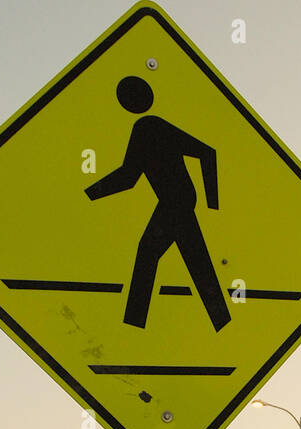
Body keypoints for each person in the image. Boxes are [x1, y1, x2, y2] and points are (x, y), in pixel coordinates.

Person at [85, 76, 230, 332]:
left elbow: (208, 153)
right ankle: (222, 323)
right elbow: (129, 177)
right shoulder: (143, 128)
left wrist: (214, 205)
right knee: (195, 261)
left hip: (178, 200)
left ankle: (133, 324)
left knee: (150, 253)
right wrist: (90, 194)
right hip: (175, 201)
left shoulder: (151, 126)